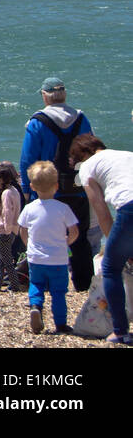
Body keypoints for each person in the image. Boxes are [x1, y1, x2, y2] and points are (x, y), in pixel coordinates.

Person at [19, 76, 94, 292]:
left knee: (44, 239)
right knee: (80, 240)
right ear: (65, 95)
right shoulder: (81, 118)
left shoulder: (37, 122)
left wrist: (27, 190)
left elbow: (28, 159)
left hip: (47, 191)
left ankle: (45, 286)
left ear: (45, 96)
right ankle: (83, 286)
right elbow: (92, 150)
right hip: (78, 189)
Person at [71, 134, 133, 343]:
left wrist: (116, 247)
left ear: (84, 155)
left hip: (130, 207)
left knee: (110, 267)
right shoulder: (125, 155)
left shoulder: (88, 166)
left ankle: (120, 331)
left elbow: (102, 212)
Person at [18, 160, 79, 335]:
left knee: (36, 284)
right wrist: (66, 242)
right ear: (56, 185)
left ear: (32, 186)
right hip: (58, 258)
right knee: (59, 292)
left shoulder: (30, 208)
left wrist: (28, 246)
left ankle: (36, 306)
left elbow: (23, 230)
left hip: (36, 258)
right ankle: (60, 324)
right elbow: (74, 231)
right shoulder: (63, 208)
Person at [0, 165, 25, 293]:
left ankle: (14, 286)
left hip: (4, 232)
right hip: (9, 230)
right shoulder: (14, 190)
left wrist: (5, 230)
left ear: (2, 179)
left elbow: (7, 213)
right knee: (2, 260)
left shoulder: (6, 193)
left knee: (5, 261)